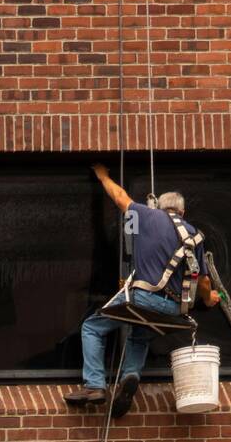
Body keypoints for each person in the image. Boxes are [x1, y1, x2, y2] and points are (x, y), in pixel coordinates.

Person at [65, 164, 219, 417]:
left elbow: (120, 197)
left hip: (143, 297)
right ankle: (131, 375)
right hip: (172, 308)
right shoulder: (196, 236)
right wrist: (209, 298)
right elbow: (203, 282)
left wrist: (103, 176)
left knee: (92, 327)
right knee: (139, 334)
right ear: (183, 211)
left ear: (160, 207)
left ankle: (94, 386)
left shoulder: (148, 216)